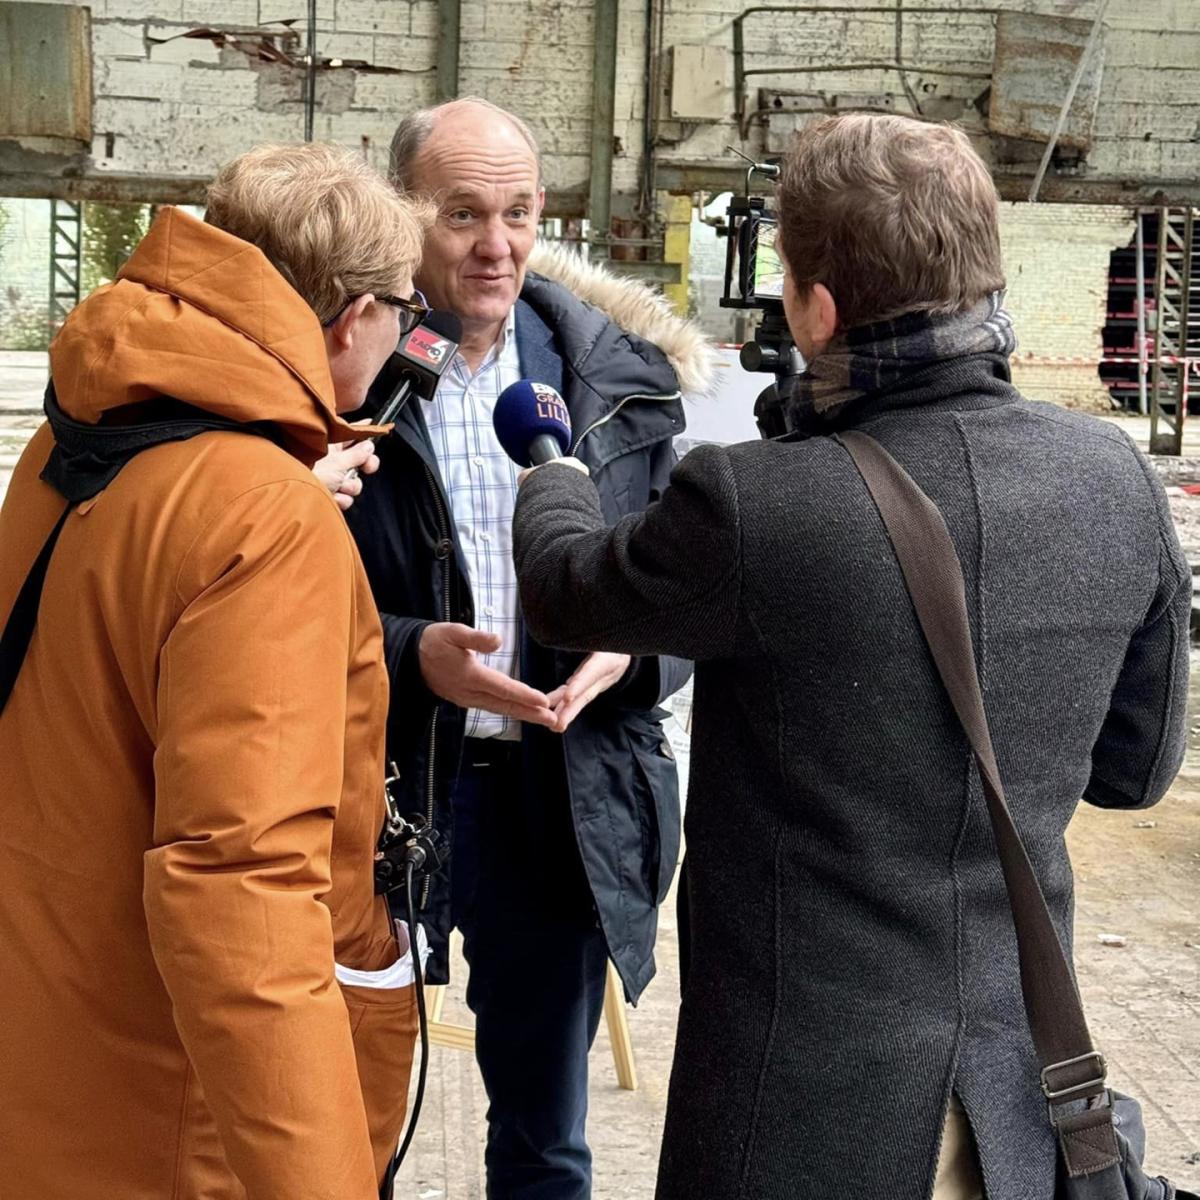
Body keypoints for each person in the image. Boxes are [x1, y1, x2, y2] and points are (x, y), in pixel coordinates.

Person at [510, 114, 1190, 1200]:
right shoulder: (1113, 479)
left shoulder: (755, 502)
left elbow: (561, 591)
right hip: (1017, 1115)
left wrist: (551, 464)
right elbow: (1131, 772)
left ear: (814, 310)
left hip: (801, 1116)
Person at [0, 143, 433, 1199]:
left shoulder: (83, 435)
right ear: (351, 320)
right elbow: (240, 894)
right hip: (178, 1117)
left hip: (52, 1049)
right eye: (402, 307)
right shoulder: (263, 516)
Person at [338, 97, 709, 1198]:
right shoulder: (350, 375)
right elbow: (292, 594)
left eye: (519, 213)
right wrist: (414, 655)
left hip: (559, 798)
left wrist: (633, 658)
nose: (496, 245)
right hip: (392, 789)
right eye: (461, 214)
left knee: (546, 1141)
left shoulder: (613, 386)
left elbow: (693, 596)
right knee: (348, 1117)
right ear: (402, 218)